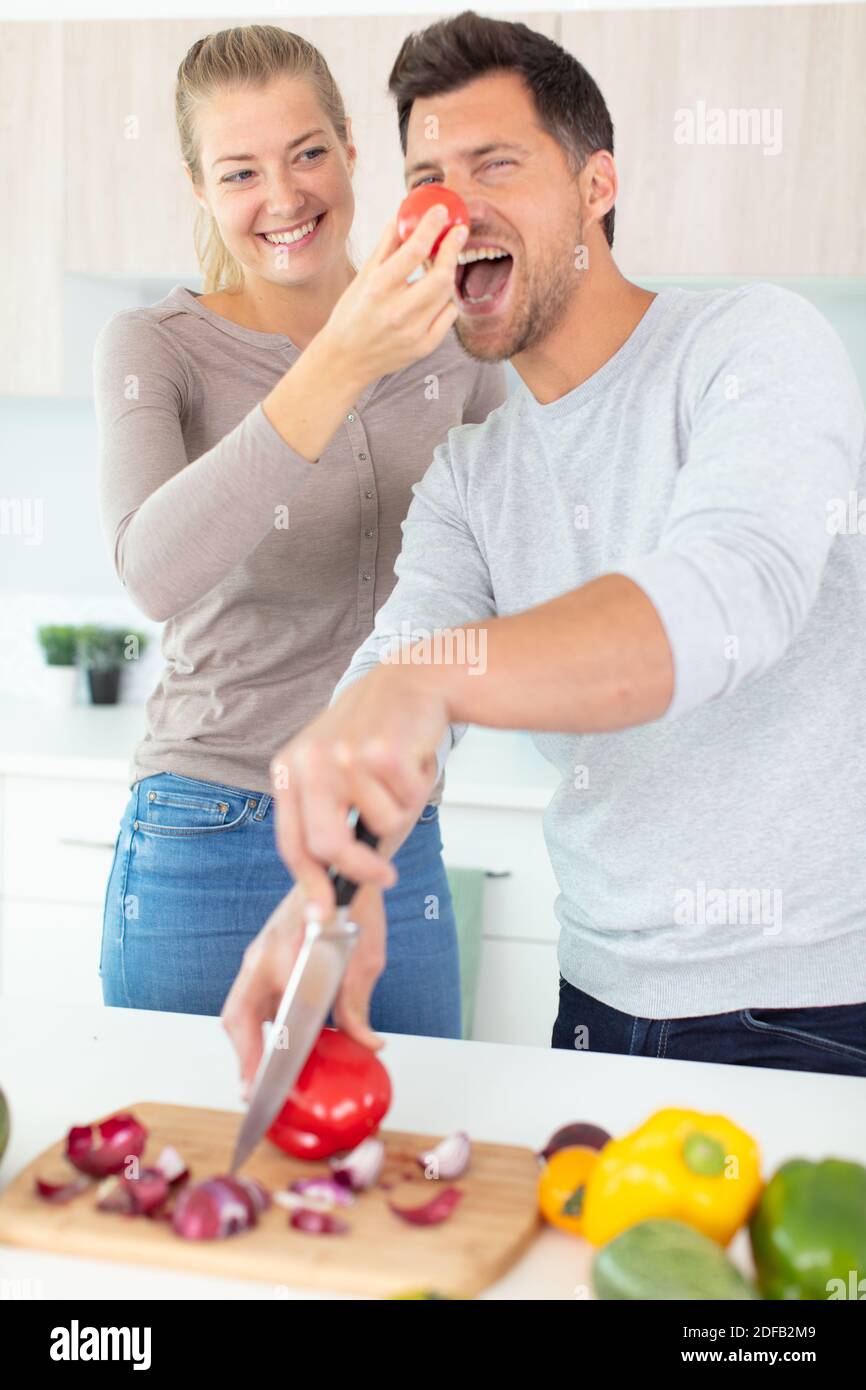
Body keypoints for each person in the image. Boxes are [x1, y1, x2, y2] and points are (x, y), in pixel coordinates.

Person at [223, 11, 866, 1085]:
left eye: (495, 165)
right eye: (425, 178)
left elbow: (730, 597)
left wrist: (427, 680)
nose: (450, 207)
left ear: (595, 185)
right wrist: (325, 895)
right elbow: (399, 667)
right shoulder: (473, 472)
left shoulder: (752, 345)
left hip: (810, 1011)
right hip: (594, 1004)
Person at [93, 22, 507, 1031]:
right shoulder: (155, 346)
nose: (283, 197)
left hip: (389, 835)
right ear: (200, 188)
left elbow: (502, 562)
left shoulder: (454, 338)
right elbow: (153, 572)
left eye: (307, 153)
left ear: (352, 149)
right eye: (240, 171)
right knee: (189, 1128)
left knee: (410, 1124)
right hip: (205, 831)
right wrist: (342, 358)